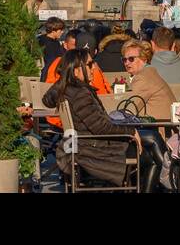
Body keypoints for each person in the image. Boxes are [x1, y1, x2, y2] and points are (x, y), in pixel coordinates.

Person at [41, 49, 142, 186]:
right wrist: (131, 131)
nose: (93, 67)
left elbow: (48, 99)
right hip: (94, 149)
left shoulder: (69, 89)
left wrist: (65, 78)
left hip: (85, 144)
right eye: (89, 64)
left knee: (151, 141)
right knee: (150, 149)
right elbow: (100, 127)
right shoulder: (80, 94)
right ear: (76, 71)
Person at [119, 40, 175, 119]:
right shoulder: (149, 73)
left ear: (144, 58)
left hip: (158, 128)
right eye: (124, 59)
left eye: (131, 59)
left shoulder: (142, 78)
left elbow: (129, 110)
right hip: (161, 126)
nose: (127, 63)